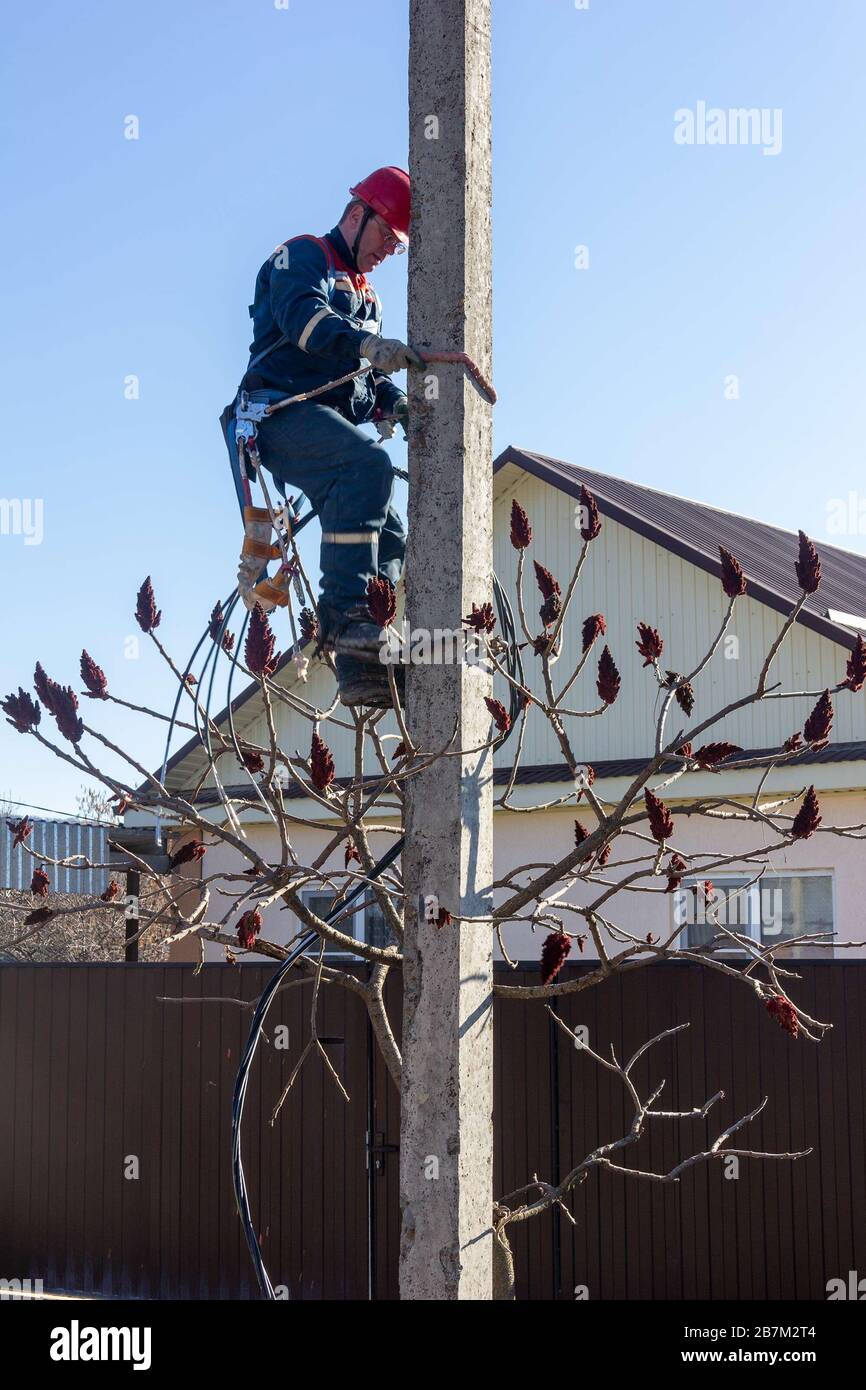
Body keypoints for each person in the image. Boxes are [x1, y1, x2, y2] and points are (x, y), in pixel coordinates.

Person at [236, 167, 421, 703]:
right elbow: (305, 322)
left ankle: (364, 663)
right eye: (386, 234)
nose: (389, 248)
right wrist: (366, 346)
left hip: (326, 424)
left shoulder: (368, 300)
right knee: (367, 468)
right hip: (279, 415)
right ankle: (346, 614)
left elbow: (365, 383)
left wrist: (395, 402)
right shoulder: (303, 256)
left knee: (387, 522)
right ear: (358, 214)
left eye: (398, 244)